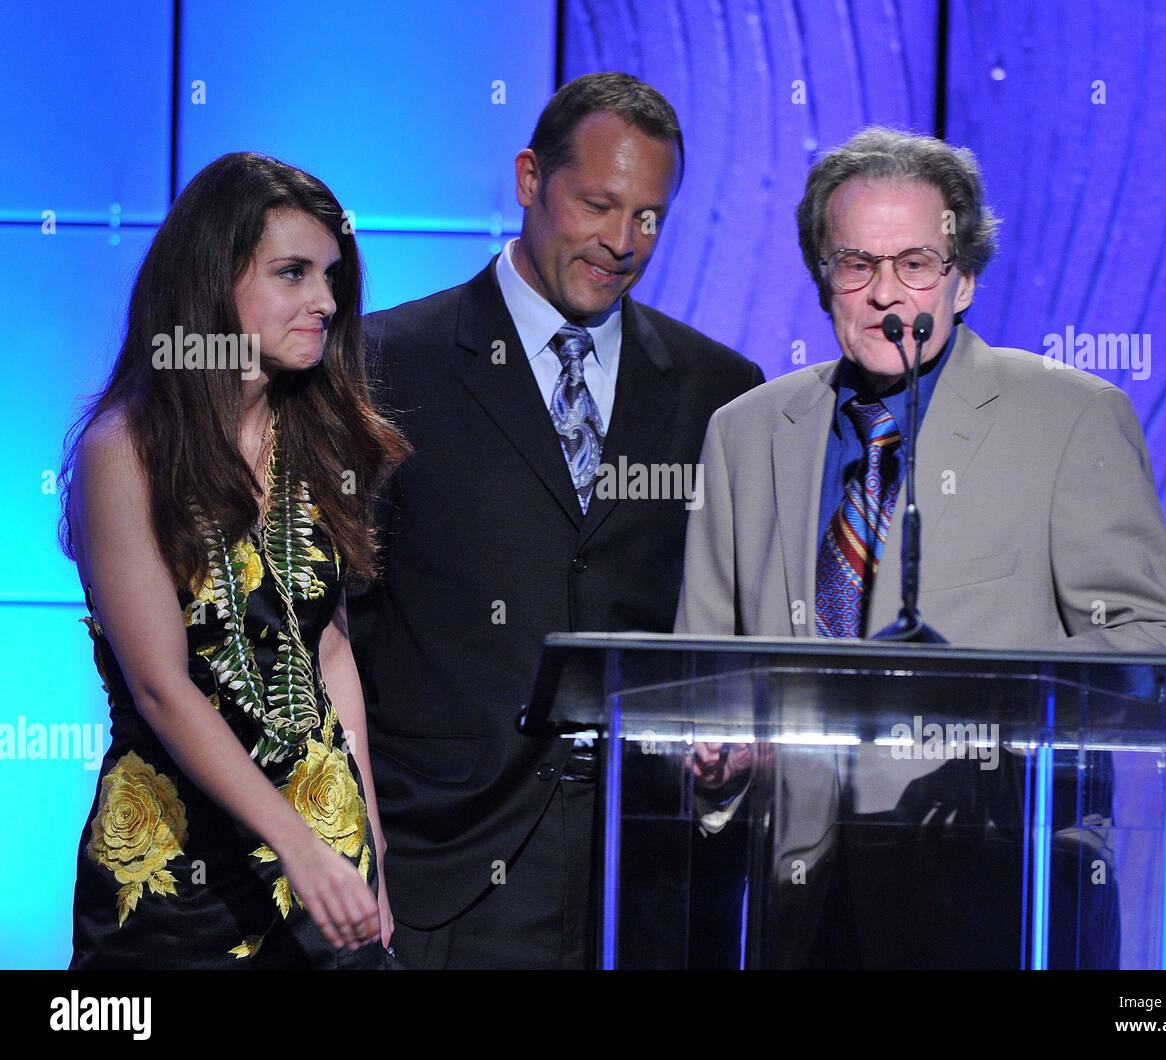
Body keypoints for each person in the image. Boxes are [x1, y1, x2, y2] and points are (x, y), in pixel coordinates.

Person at [674, 126, 1166, 967]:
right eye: (857, 264)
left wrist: (978, 691)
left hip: (1002, 894)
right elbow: (694, 681)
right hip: (799, 906)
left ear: (963, 279)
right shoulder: (745, 433)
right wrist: (713, 759)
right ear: (825, 279)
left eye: (916, 263)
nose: (888, 294)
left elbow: (1162, 649)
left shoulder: (1069, 417)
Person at [351, 72, 764, 969]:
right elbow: (340, 627)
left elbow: (735, 626)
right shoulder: (386, 364)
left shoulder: (721, 391)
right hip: (445, 868)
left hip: (648, 872)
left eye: (650, 217)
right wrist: (357, 846)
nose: (622, 242)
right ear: (530, 177)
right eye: (598, 203)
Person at [60, 152, 411, 969]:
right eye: (293, 273)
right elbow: (161, 685)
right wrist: (298, 847)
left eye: (330, 276)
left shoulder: (322, 437)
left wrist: (368, 843)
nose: (325, 301)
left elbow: (327, 650)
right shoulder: (126, 450)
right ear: (213, 281)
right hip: (179, 876)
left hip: (325, 860)